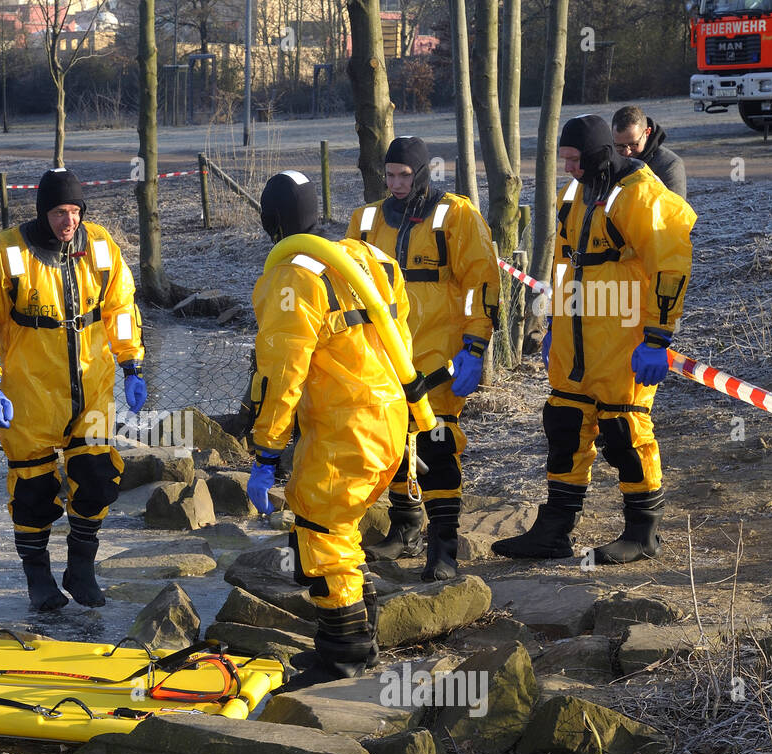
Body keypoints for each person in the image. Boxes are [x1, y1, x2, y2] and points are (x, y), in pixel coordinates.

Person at [492, 114, 696, 565]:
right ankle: (554, 530)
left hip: (622, 338)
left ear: (597, 156)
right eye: (563, 160)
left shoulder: (643, 196)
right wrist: (552, 328)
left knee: (625, 431)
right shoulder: (576, 193)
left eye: (573, 160)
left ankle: (643, 532)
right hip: (575, 340)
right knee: (564, 426)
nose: (567, 169)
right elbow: (566, 264)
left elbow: (671, 265)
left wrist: (659, 336)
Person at [247, 170, 412, 688]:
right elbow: (401, 330)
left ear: (269, 221)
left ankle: (343, 655)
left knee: (322, 527)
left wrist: (265, 450)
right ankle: (363, 641)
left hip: (347, 424)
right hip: (389, 416)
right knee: (341, 528)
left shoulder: (292, 277)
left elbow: (281, 373)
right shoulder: (368, 258)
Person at [0, 168, 145, 611]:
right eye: (60, 211)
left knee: (100, 479)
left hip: (92, 387)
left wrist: (132, 364)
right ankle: (38, 576)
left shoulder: (101, 248)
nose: (69, 221)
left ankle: (81, 567)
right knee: (33, 491)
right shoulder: (4, 253)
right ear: (43, 211)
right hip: (29, 393)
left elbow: (121, 307)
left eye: (76, 211)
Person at [346, 136, 502, 580]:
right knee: (394, 440)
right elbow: (345, 279)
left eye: (404, 175)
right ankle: (406, 527)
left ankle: (444, 548)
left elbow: (482, 284)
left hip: (439, 353)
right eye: (389, 175)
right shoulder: (366, 218)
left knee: (437, 444)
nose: (396, 183)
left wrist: (475, 346)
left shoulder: (455, 215)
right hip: (384, 353)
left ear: (422, 173)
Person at [611, 105, 686, 199]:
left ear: (647, 133)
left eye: (634, 144)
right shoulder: (608, 161)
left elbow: (676, 210)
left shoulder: (669, 165)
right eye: (619, 146)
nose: (627, 152)